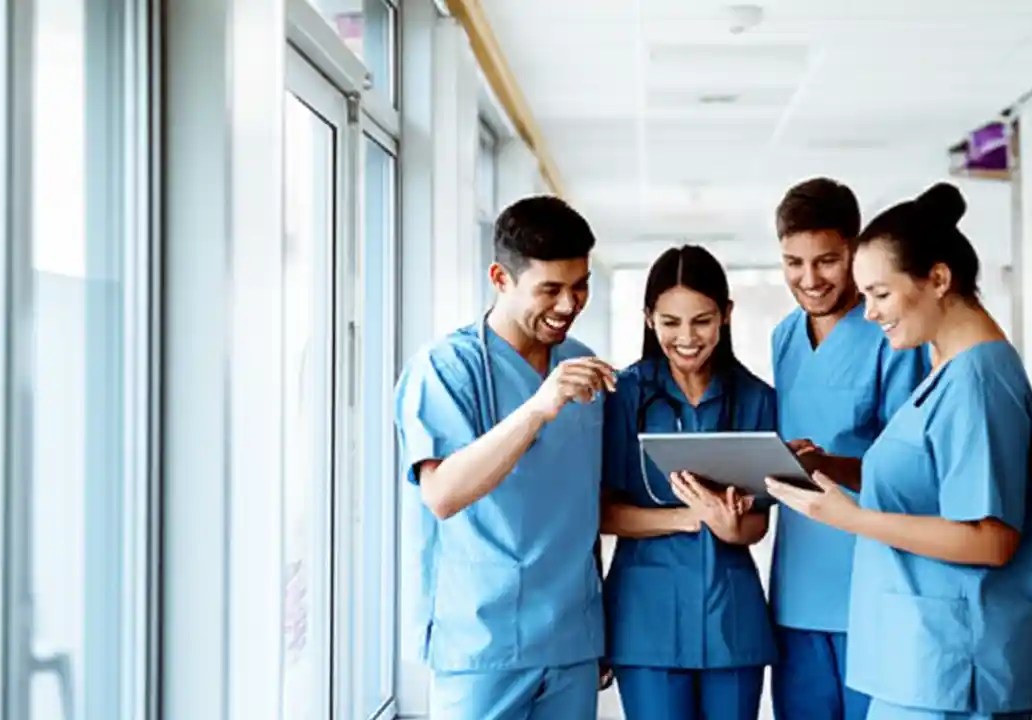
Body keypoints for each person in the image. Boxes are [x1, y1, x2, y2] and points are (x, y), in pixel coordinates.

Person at [766, 183, 1032, 720]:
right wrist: (829, 468)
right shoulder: (952, 375)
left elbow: (992, 540)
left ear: (938, 279)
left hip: (953, 664)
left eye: (880, 293)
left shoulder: (980, 382)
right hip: (924, 662)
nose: (870, 313)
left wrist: (853, 519)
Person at [394, 195, 617, 719]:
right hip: (481, 645)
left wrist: (596, 626)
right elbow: (442, 494)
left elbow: (582, 504)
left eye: (580, 285)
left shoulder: (582, 366)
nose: (569, 304)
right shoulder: (445, 368)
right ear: (500, 277)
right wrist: (539, 408)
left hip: (571, 639)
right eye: (550, 289)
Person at [768, 177, 931, 720]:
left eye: (827, 261)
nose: (809, 279)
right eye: (794, 262)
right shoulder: (784, 337)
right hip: (797, 587)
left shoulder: (893, 334)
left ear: (856, 253)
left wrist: (825, 466)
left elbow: (909, 469)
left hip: (870, 581)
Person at [600, 245, 777, 720]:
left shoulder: (758, 400)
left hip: (731, 620)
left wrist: (730, 527)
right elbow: (602, 513)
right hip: (646, 620)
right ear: (648, 318)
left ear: (726, 316)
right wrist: (688, 517)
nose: (686, 337)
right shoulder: (622, 396)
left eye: (701, 320)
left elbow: (758, 521)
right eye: (670, 322)